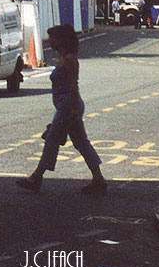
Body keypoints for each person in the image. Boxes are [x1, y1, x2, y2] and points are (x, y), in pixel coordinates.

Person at [16, 24, 107, 195]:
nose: (50, 41)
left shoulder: (69, 60)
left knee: (52, 139)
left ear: (61, 40)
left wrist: (72, 110)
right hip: (66, 105)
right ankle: (98, 179)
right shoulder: (63, 58)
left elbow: (73, 86)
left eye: (53, 38)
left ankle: (37, 177)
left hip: (68, 105)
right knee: (81, 142)